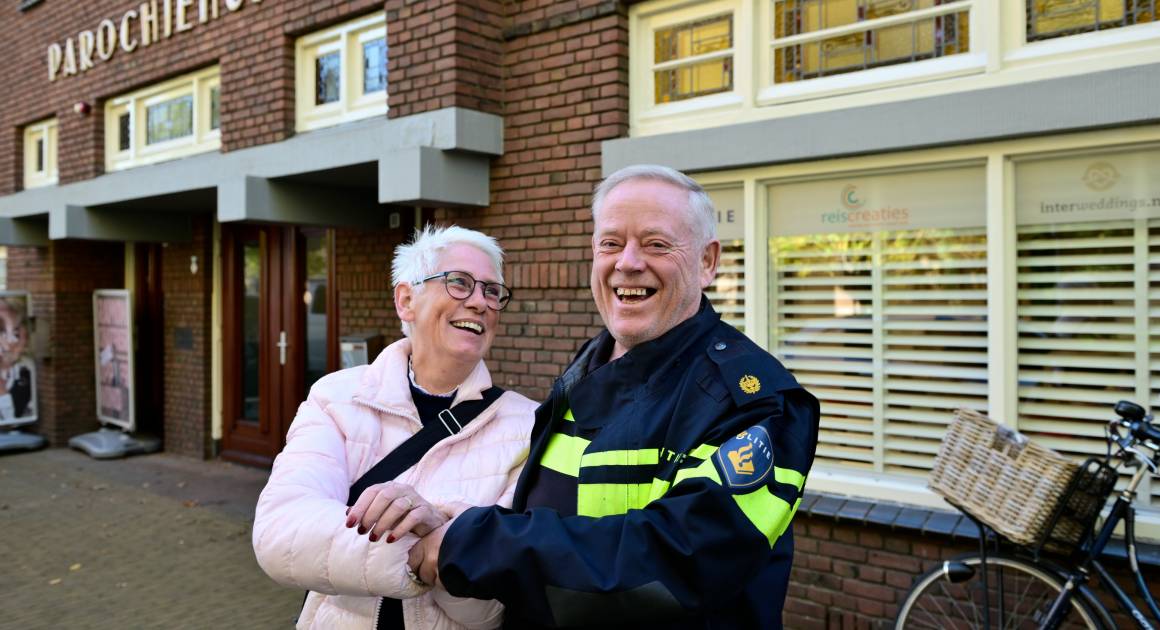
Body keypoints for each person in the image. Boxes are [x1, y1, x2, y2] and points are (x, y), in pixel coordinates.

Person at [367, 165, 821, 628]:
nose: (627, 262)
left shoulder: (757, 403)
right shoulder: (591, 363)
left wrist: (475, 544)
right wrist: (463, 521)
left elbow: (674, 566)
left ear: (707, 262)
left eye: (656, 244)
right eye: (610, 243)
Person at [253, 225, 537, 629]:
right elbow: (281, 535)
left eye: (492, 291)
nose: (480, 302)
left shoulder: (527, 425)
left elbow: (491, 608)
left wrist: (436, 530)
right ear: (406, 300)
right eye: (459, 283)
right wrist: (434, 547)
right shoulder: (336, 398)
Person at [0, 296, 35, 421]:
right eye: (1, 330)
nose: (10, 341)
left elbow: (14, 420)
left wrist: (3, 393)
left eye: (16, 333)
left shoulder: (28, 373)